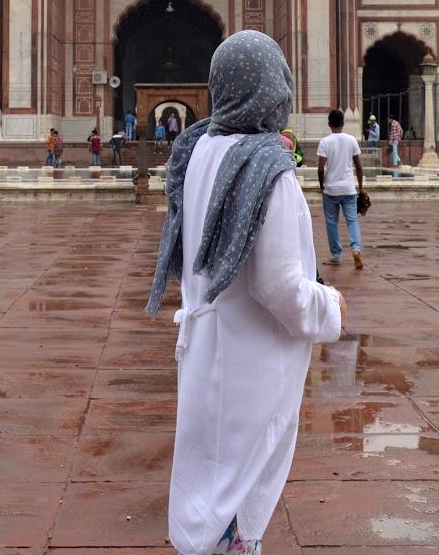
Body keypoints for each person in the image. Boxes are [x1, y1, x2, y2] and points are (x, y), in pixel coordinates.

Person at [147, 31, 343, 555]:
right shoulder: (265, 166)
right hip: (249, 358)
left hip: (207, 345)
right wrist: (330, 307)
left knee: (207, 487)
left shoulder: (198, 148)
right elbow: (277, 285)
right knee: (237, 495)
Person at [316, 108, 365, 269]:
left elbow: (320, 168)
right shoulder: (351, 140)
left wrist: (322, 185)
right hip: (349, 189)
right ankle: (356, 249)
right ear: (343, 124)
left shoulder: (325, 142)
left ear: (329, 124)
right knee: (352, 221)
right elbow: (358, 166)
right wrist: (361, 187)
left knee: (332, 222)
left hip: (331, 189)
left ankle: (336, 255)